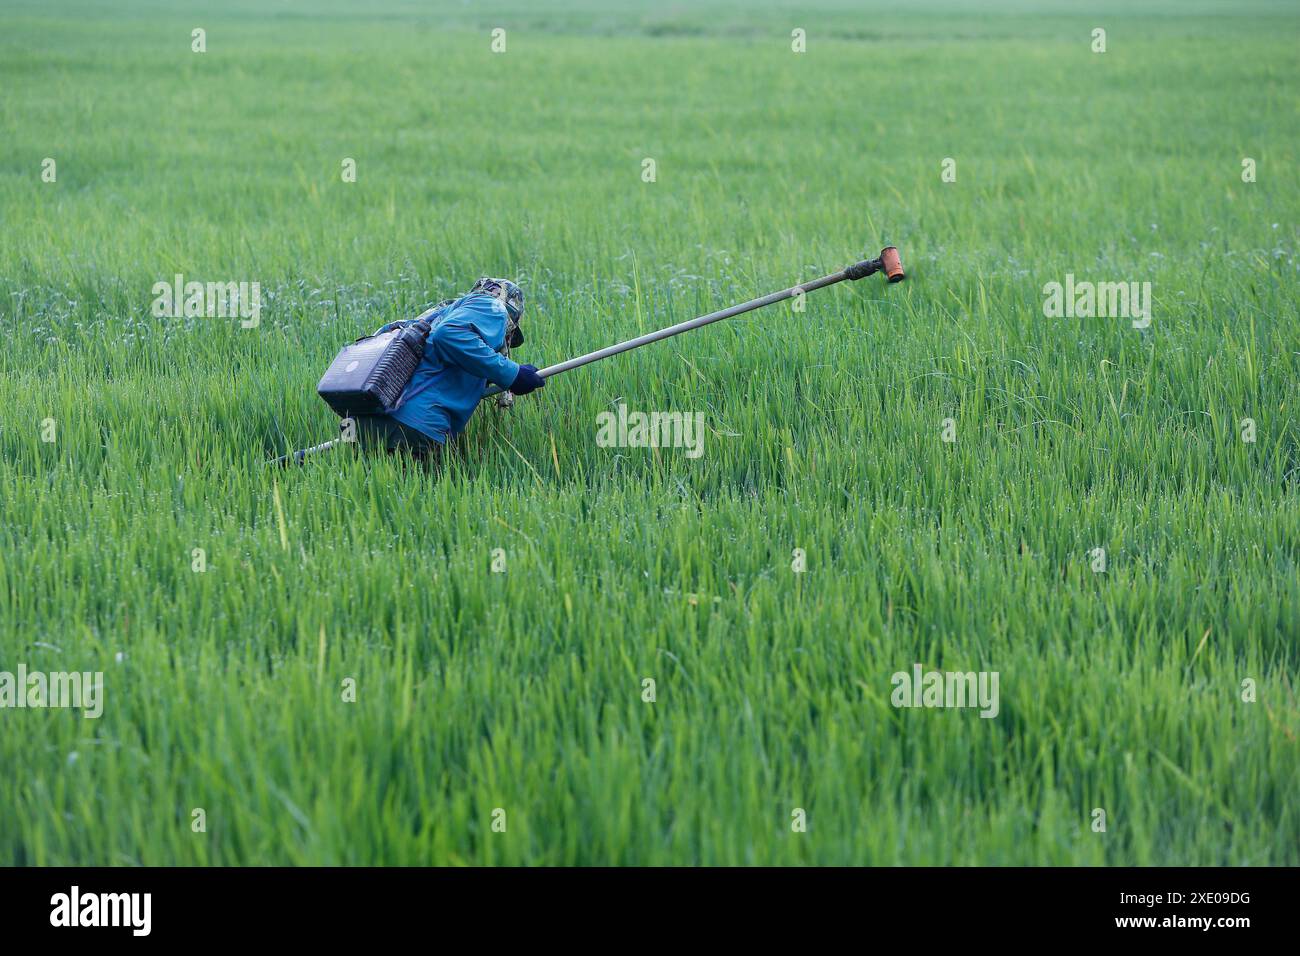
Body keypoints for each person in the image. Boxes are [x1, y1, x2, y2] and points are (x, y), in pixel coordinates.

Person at [352, 277, 544, 461]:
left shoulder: (432, 318)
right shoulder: (491, 306)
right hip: (415, 424)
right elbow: (449, 335)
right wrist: (513, 374)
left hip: (361, 421)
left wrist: (489, 375)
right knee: (422, 493)